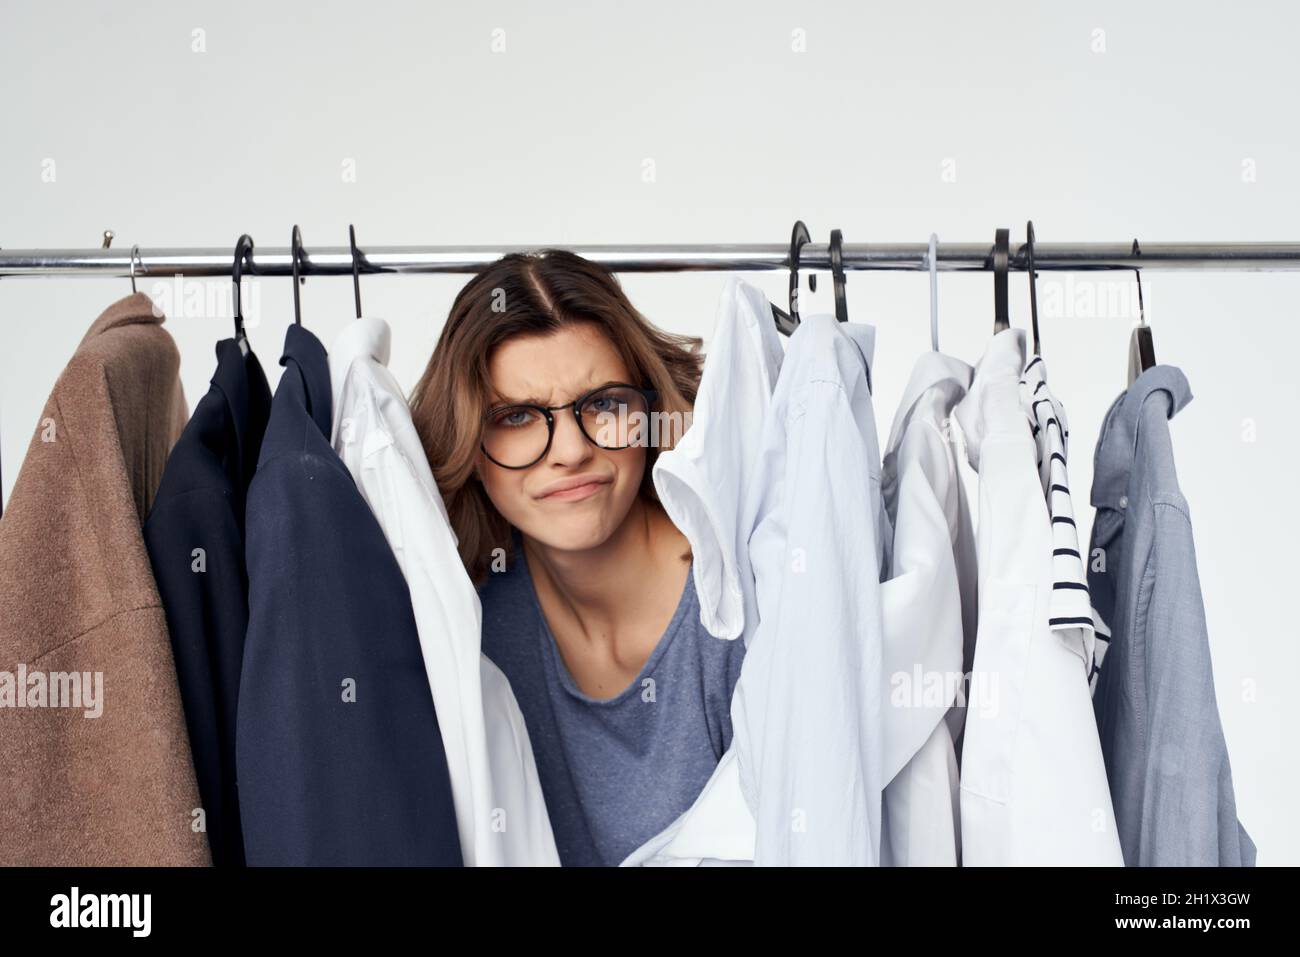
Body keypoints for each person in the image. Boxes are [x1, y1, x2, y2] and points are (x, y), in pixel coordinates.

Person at [410, 250, 746, 866]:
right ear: (468, 447)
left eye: (603, 403)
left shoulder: (739, 595)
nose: (569, 450)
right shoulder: (467, 630)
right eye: (516, 417)